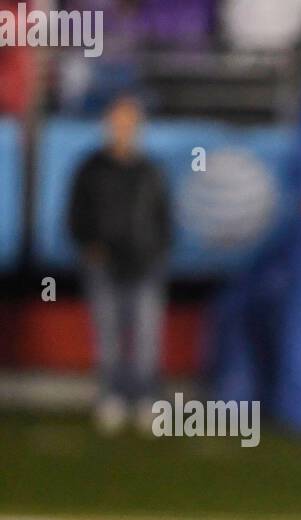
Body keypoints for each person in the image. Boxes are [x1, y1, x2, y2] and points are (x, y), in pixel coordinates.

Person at [67, 94, 172, 435]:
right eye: (118, 121)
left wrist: (157, 252)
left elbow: (163, 219)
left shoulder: (151, 171)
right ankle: (111, 397)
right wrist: (89, 246)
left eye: (130, 122)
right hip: (104, 264)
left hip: (144, 264)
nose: (124, 129)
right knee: (108, 337)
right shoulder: (91, 168)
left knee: (146, 339)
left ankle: (144, 399)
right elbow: (76, 213)